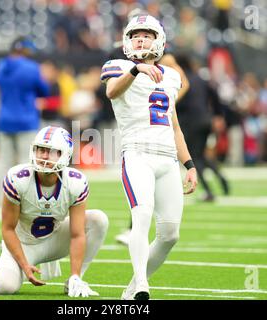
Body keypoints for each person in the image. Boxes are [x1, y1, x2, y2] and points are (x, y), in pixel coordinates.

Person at [101, 15, 197, 300]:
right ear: (126, 41)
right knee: (141, 216)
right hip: (137, 153)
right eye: (135, 35)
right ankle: (143, 284)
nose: (140, 39)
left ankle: (132, 288)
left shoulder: (171, 76)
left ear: (160, 41)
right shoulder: (119, 67)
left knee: (170, 235)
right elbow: (111, 91)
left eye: (147, 35)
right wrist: (137, 71)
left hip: (168, 160)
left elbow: (174, 125)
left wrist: (189, 165)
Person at [0, 126, 108, 297]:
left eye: (51, 151)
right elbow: (7, 228)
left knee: (98, 219)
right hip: (24, 244)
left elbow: (77, 234)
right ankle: (4, 264)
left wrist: (75, 274)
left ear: (65, 154)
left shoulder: (75, 182)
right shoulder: (18, 178)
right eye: (40, 150)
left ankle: (75, 281)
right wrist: (23, 265)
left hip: (55, 239)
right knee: (4, 287)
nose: (44, 156)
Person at [0, 37, 50, 219]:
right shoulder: (32, 68)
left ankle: (1, 205)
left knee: (4, 165)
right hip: (26, 121)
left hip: (4, 120)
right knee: (28, 165)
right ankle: (27, 205)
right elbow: (44, 90)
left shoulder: (1, 66)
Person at [176, 54, 229, 201]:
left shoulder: (181, 80)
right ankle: (220, 177)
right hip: (206, 120)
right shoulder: (200, 78)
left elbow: (180, 104)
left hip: (190, 122)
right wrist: (218, 115)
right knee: (201, 154)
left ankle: (208, 191)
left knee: (193, 157)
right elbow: (215, 94)